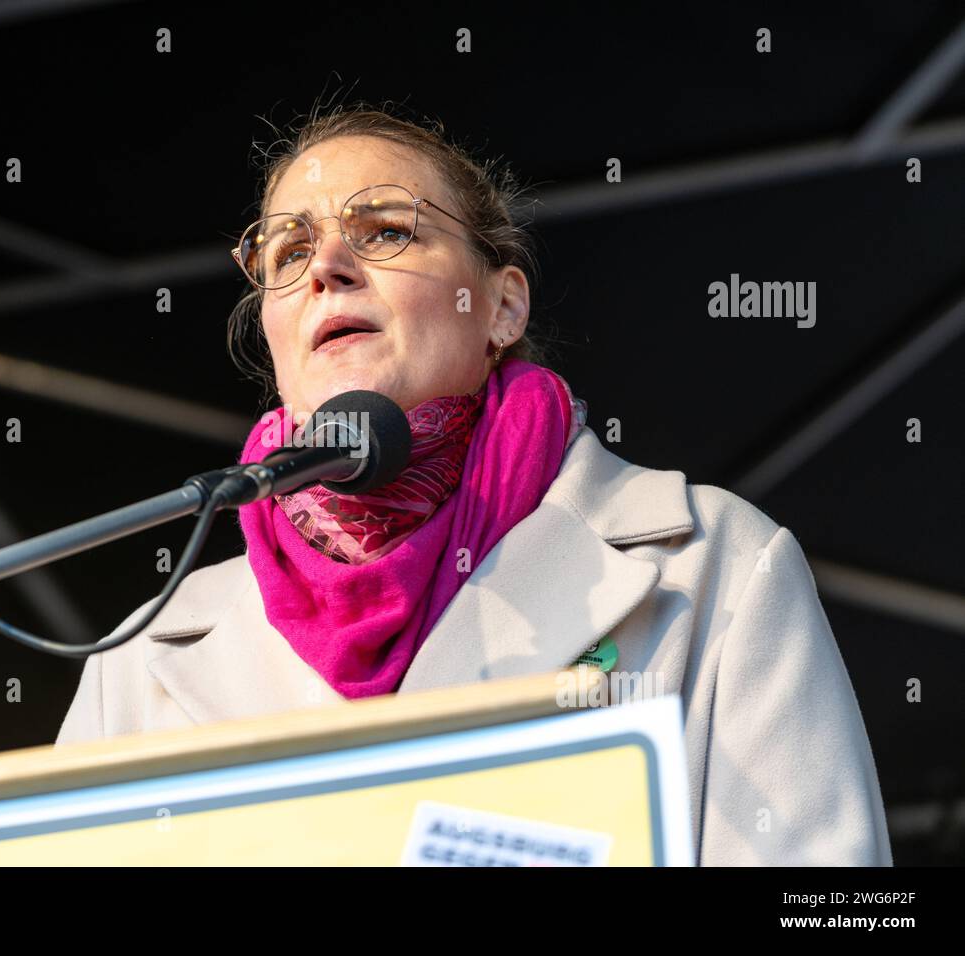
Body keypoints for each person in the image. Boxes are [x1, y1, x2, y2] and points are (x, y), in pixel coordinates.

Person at [57, 105, 892, 866]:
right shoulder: (145, 654)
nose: (328, 267)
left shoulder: (713, 566)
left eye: (383, 229)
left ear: (502, 306)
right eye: (288, 250)